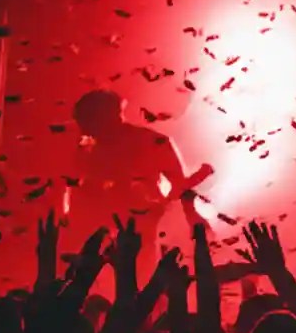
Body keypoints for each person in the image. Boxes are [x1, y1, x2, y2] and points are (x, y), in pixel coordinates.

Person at [65, 89, 208, 270]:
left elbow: (179, 184)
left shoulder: (152, 142)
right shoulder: (86, 149)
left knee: (141, 279)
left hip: (139, 232)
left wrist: (162, 208)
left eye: (87, 123)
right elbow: (77, 186)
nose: (84, 130)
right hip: (98, 236)